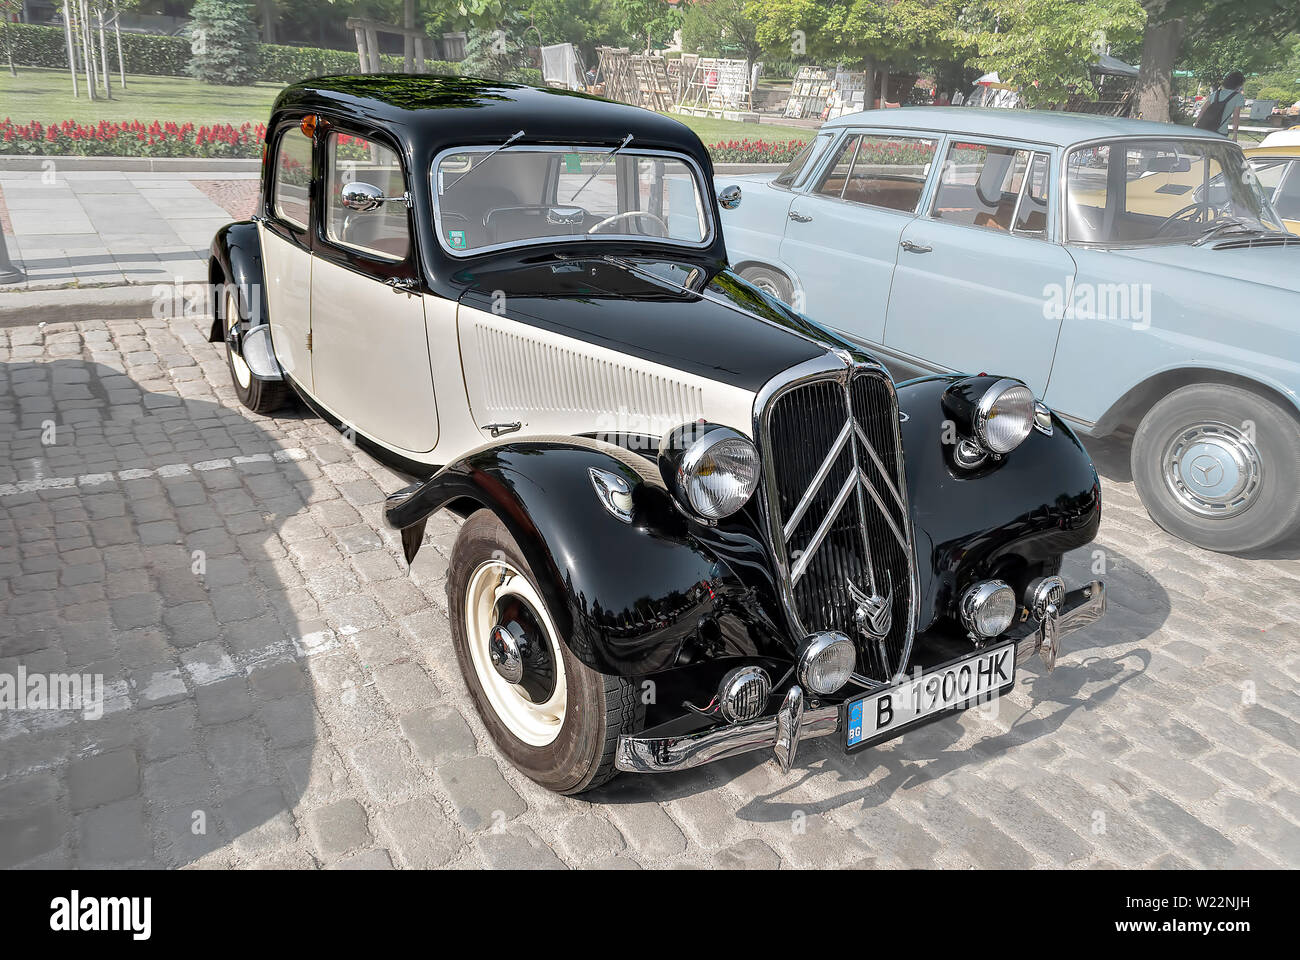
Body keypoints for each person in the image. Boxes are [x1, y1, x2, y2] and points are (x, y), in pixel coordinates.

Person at [1194, 71, 1246, 139]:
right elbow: (1236, 117)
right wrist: (1235, 135)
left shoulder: (1216, 93)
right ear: (1239, 84)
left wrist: (1196, 124)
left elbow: (1203, 110)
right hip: (1221, 131)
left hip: (1205, 129)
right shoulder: (1238, 97)